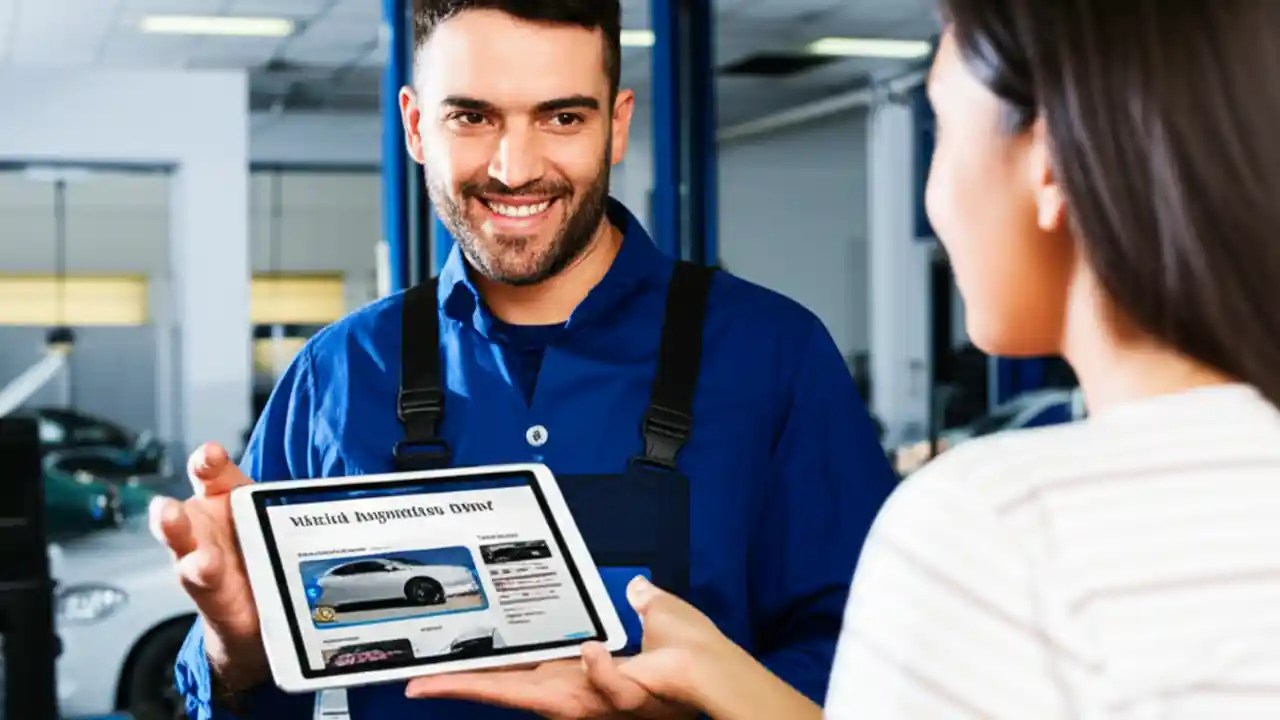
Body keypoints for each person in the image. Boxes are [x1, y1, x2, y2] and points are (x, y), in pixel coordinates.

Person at [505, 0, 1280, 718]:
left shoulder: (994, 521)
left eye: (941, 126)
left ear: (1048, 163)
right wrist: (732, 682)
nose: (933, 195)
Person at [148, 1, 898, 718]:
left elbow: (868, 658)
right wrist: (236, 646)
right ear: (415, 126)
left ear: (617, 125)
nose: (514, 169)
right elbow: (250, 691)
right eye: (472, 117)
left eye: (562, 117)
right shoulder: (336, 377)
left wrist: (697, 701)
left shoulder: (773, 358)